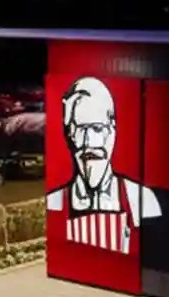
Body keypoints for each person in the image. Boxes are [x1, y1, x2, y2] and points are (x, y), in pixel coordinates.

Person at [45, 76, 159, 253]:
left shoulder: (142, 200)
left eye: (97, 128)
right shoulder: (53, 203)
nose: (88, 142)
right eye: (81, 129)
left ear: (112, 132)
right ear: (70, 136)